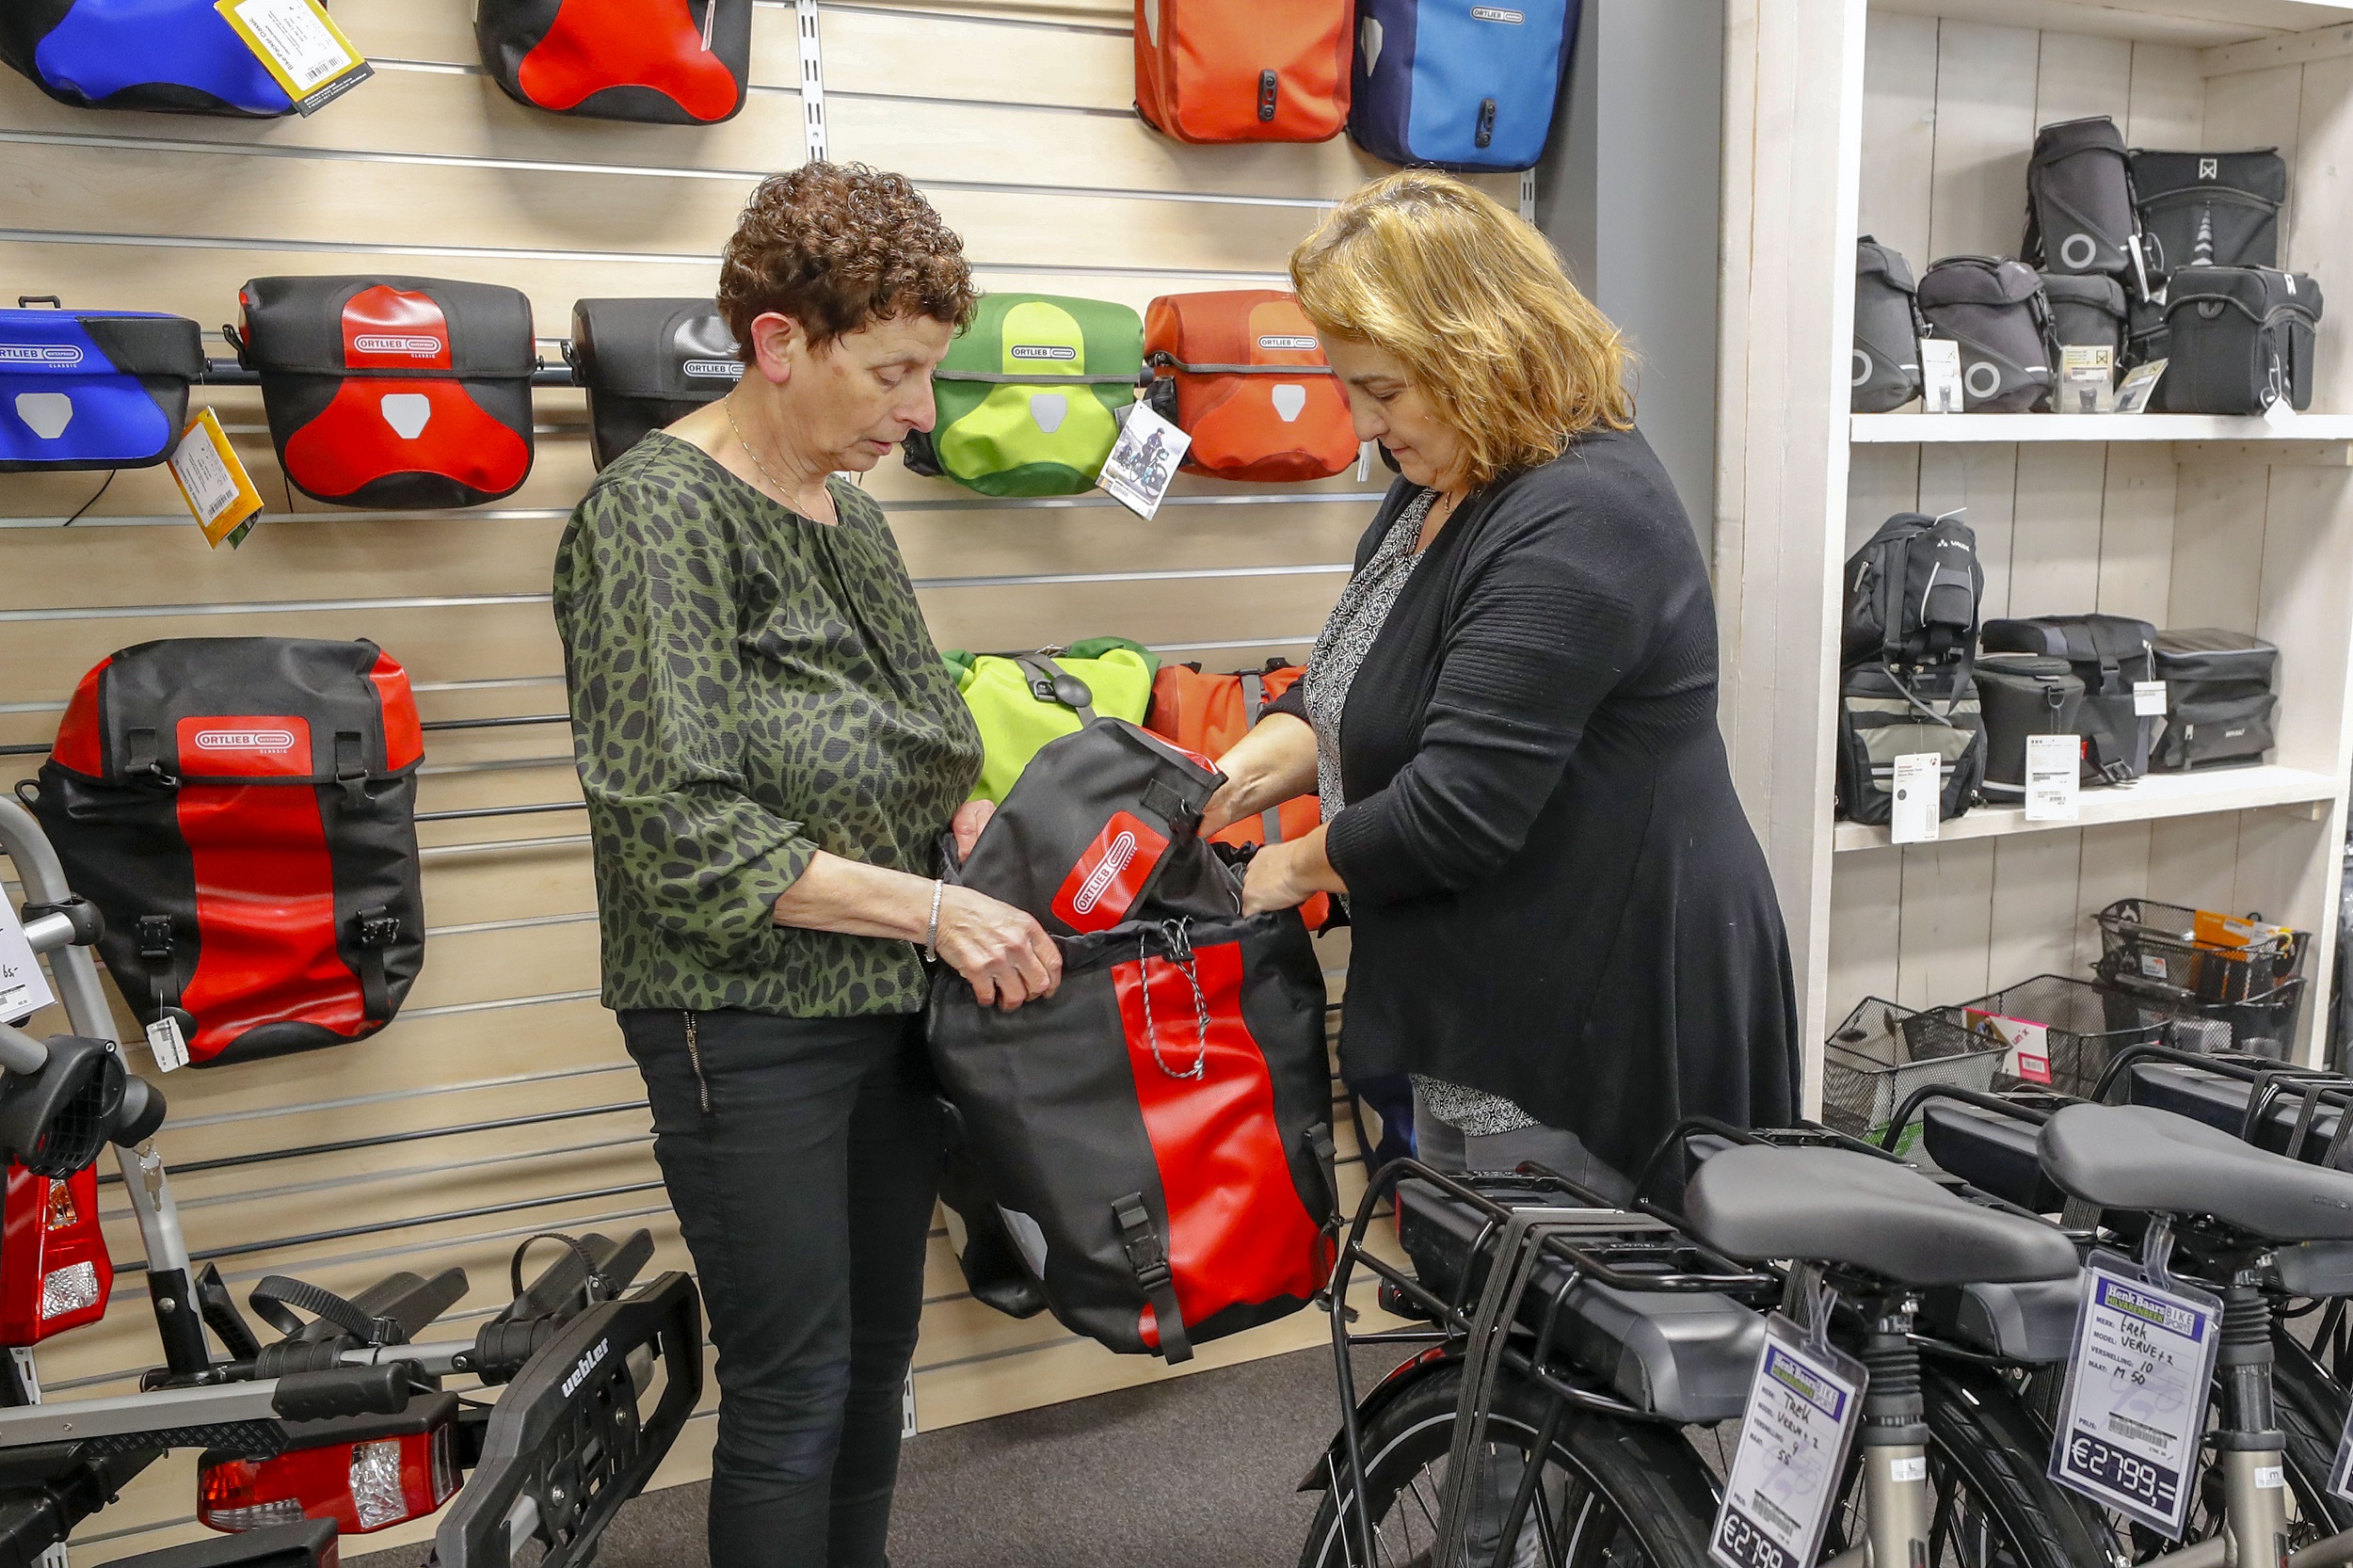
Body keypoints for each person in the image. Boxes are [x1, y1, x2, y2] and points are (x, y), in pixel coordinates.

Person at [553, 163, 1061, 1568]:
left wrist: (965, 826)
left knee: (875, 1359)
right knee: (792, 1384)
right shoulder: (657, 515)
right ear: (780, 344)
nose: (921, 410)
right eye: (894, 372)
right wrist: (936, 908)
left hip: (885, 1004)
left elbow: (919, 733)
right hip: (745, 1017)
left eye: (930, 372)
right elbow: (675, 819)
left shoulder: (855, 513)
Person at [1205, 169, 1800, 1203]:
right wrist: (1239, 776)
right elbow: (1363, 684)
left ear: (1478, 351)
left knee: (1576, 1285)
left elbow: (1455, 811)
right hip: (1484, 990)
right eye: (1351, 390)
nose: (1360, 425)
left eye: (1384, 390)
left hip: (1595, 1007)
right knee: (1480, 1274)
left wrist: (1286, 868)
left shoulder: (1581, 514)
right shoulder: (1445, 475)